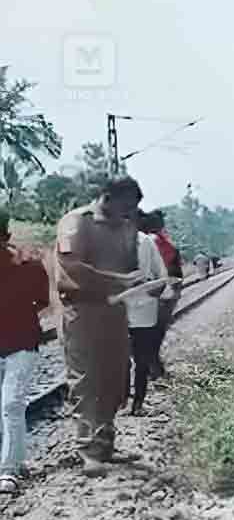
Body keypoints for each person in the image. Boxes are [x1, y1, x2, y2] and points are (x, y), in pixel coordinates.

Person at [56, 177, 146, 473]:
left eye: (132, 210)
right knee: (86, 379)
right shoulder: (77, 222)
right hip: (83, 311)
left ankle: (105, 445)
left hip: (115, 310)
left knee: (115, 377)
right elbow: (71, 267)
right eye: (125, 207)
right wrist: (118, 280)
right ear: (107, 197)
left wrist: (140, 282)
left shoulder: (125, 226)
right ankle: (87, 450)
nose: (128, 214)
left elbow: (129, 266)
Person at [0, 210, 50, 494]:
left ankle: (9, 468)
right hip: (22, 338)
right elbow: (41, 301)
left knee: (11, 405)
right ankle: (11, 463)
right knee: (10, 406)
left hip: (21, 344)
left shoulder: (29, 265)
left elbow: (42, 299)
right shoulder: (29, 265)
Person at [125, 211, 174, 416]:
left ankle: (136, 402)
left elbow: (162, 277)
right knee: (127, 359)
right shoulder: (104, 244)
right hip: (120, 311)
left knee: (139, 359)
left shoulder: (145, 242)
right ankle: (127, 400)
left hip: (140, 309)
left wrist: (153, 289)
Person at [144, 210, 182, 380]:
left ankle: (153, 367)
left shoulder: (152, 240)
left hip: (159, 292)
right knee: (155, 332)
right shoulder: (158, 241)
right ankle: (154, 368)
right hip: (162, 294)